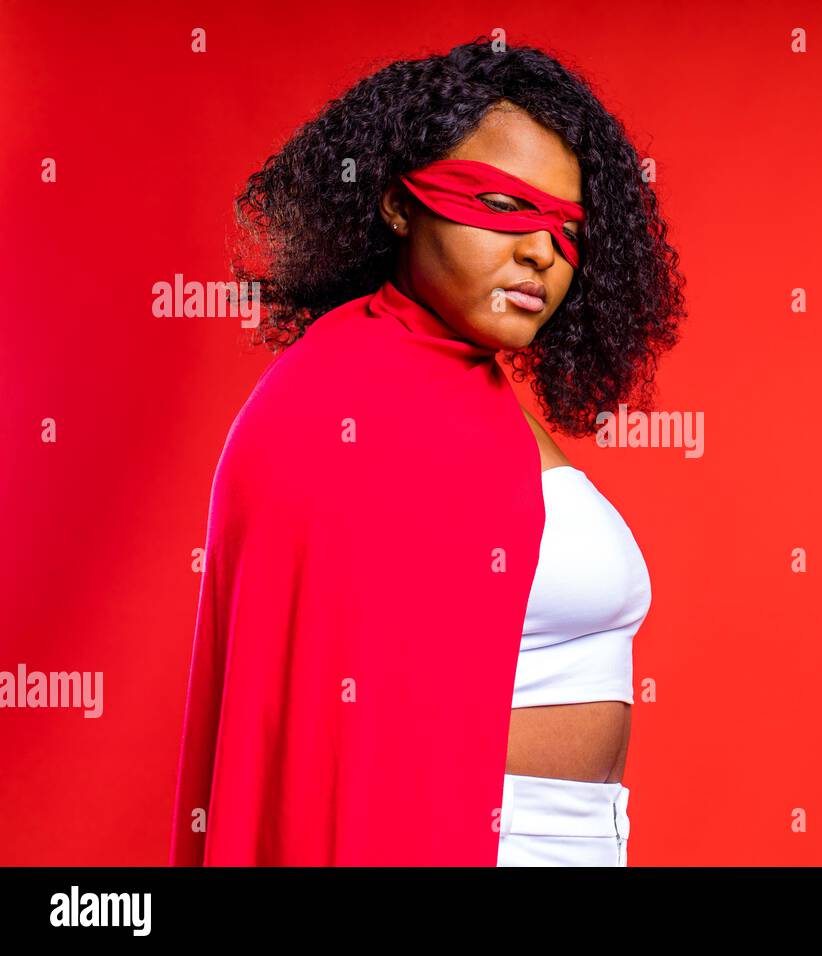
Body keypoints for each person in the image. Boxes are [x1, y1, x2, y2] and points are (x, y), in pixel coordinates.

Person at [168, 36, 686, 866]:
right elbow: (314, 737)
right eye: (504, 207)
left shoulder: (479, 399)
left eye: (567, 228)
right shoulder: (330, 407)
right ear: (398, 204)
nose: (543, 253)